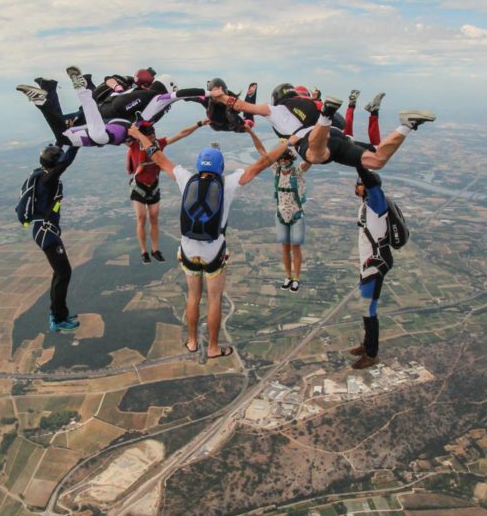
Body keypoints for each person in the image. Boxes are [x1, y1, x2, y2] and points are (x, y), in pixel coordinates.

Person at [127, 124, 294, 361]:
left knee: (193, 297)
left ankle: (192, 342)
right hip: (214, 250)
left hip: (188, 248)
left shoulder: (186, 178)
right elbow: (263, 163)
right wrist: (287, 143)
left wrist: (137, 135)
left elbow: (157, 156)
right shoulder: (228, 183)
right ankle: (213, 347)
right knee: (214, 299)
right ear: (220, 166)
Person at [209, 84, 434, 171]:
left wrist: (218, 96)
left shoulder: (273, 109)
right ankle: (407, 125)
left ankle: (326, 116)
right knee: (376, 162)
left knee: (316, 155)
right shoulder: (307, 104)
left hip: (316, 139)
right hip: (336, 137)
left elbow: (240, 105)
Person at [18, 67, 206, 147]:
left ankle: (45, 98)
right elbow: (182, 95)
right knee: (90, 135)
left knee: (63, 136)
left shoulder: (136, 90)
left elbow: (183, 96)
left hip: (103, 115)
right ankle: (63, 92)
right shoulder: (152, 95)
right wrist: (210, 94)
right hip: (112, 121)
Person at [17, 143, 80, 332]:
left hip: (44, 230)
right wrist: (76, 145)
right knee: (64, 273)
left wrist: (63, 138)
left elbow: (58, 159)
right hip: (47, 233)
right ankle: (58, 319)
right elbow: (64, 163)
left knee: (59, 273)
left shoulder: (42, 175)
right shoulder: (49, 179)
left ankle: (58, 314)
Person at [127, 118, 208, 263]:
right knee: (141, 218)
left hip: (153, 186)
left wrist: (199, 124)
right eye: (149, 135)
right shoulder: (134, 145)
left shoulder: (159, 144)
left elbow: (181, 134)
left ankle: (155, 250)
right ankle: (144, 251)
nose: (153, 136)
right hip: (139, 186)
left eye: (153, 133)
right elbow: (115, 137)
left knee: (154, 218)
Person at [246, 125, 310, 292]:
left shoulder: (297, 172)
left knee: (295, 248)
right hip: (281, 215)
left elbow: (309, 161)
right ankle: (288, 276)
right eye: (281, 159)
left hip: (296, 215)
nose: (282, 162)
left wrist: (310, 143)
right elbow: (262, 152)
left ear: (290, 159)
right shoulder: (277, 171)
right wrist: (251, 132)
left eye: (285, 159)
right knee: (285, 247)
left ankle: (296, 278)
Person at [351, 167, 396, 368]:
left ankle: (372, 354)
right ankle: (367, 344)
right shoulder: (367, 205)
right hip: (368, 263)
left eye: (360, 183)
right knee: (365, 306)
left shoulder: (377, 203)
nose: (356, 186)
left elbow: (372, 184)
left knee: (369, 308)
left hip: (376, 263)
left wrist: (358, 162)